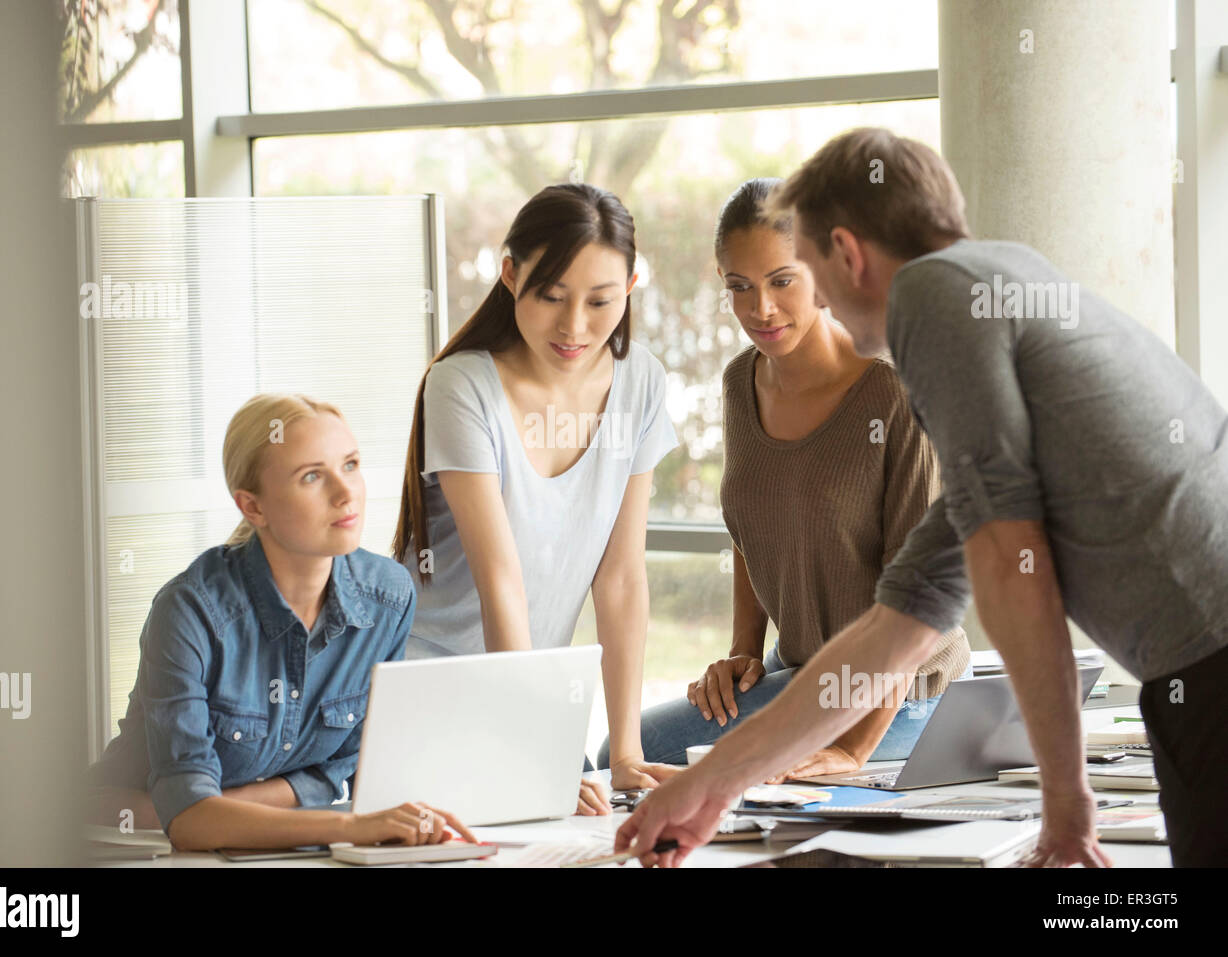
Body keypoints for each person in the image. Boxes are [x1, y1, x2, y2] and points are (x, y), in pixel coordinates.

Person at [616, 127, 1228, 869]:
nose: (818, 304)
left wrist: (1066, 805)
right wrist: (712, 786)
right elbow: (900, 624)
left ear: (845, 252)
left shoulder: (935, 298)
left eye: (802, 268)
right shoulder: (997, 287)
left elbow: (1010, 565)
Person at [596, 178, 970, 777]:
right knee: (620, 754)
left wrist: (852, 750)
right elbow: (750, 530)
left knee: (634, 758)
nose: (760, 309)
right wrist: (744, 654)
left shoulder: (897, 393)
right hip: (799, 672)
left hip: (904, 693)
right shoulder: (739, 384)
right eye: (739, 287)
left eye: (781, 281)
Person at [392, 183, 682, 815]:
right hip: (426, 687)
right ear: (509, 275)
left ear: (630, 286)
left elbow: (622, 578)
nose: (575, 326)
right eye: (551, 296)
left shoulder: (641, 382)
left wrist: (626, 756)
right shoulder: (462, 385)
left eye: (601, 300)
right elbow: (503, 582)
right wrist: (525, 756)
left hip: (518, 695)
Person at [86, 394, 475, 851]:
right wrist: (349, 827)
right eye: (312, 476)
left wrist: (231, 809)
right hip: (127, 840)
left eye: (350, 464)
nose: (345, 491)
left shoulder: (389, 597)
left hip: (277, 842)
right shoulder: (189, 612)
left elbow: (346, 762)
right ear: (253, 507)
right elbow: (190, 821)